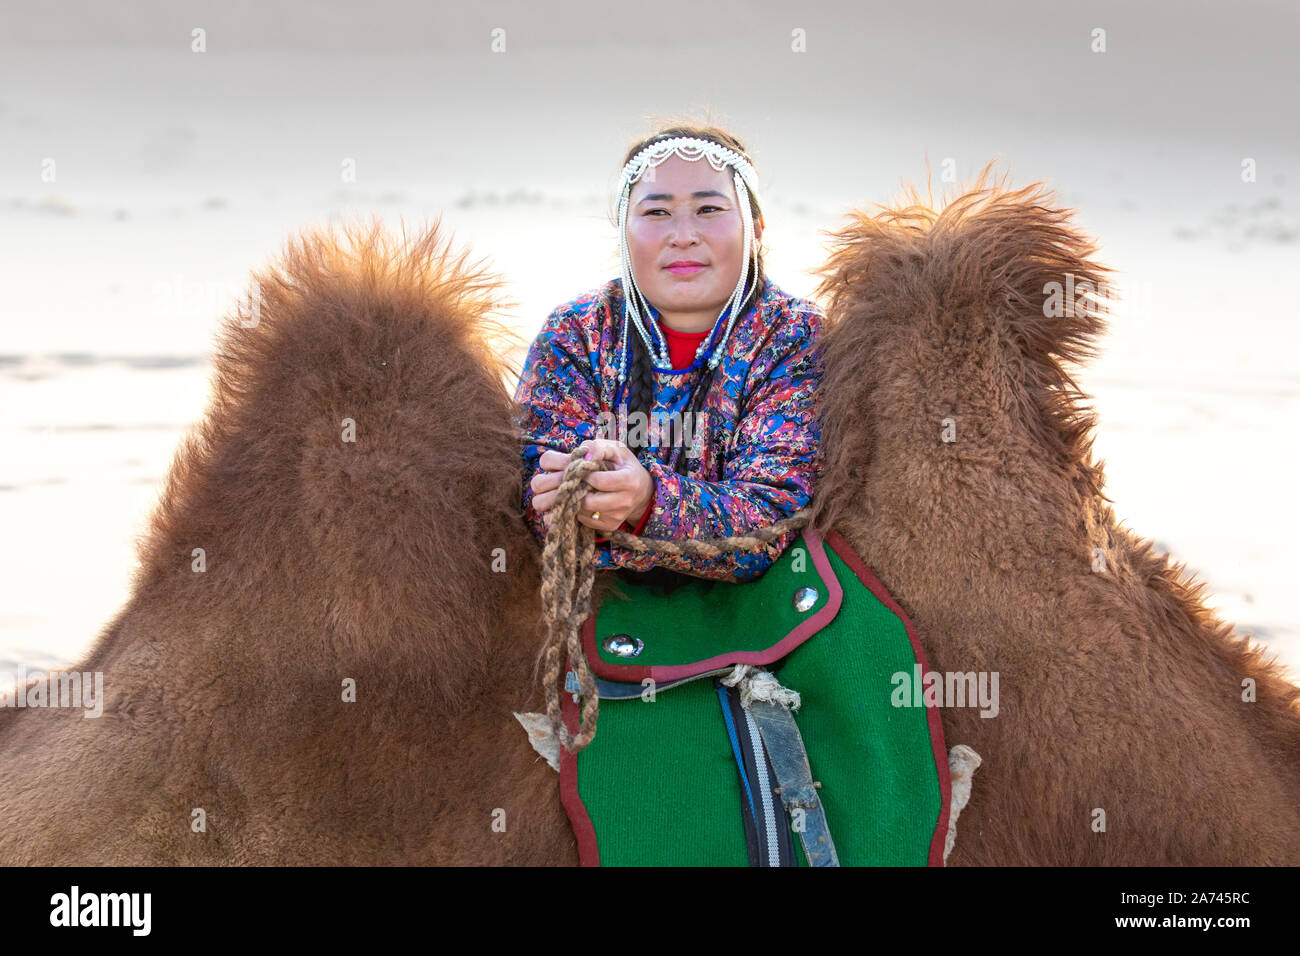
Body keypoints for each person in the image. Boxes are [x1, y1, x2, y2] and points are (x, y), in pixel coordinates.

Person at [515, 123, 823, 584]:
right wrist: (573, 496)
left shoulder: (797, 337)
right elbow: (531, 496)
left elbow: (773, 521)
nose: (683, 235)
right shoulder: (576, 332)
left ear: (755, 228)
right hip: (599, 601)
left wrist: (646, 501)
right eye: (657, 212)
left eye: (708, 208)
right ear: (623, 230)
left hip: (767, 611)